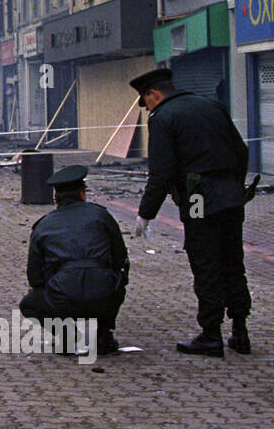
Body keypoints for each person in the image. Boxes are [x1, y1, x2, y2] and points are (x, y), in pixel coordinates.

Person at [130, 67, 252, 358]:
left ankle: (211, 335)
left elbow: (161, 172)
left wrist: (145, 213)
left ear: (153, 94)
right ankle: (240, 331)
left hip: (199, 200)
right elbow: (241, 151)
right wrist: (234, 186)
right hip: (232, 198)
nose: (146, 108)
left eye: (145, 102)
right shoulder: (213, 106)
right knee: (233, 262)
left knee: (206, 263)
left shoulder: (162, 118)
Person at [21, 165, 128, 356]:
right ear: (82, 194)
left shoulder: (43, 225)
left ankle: (67, 337)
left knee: (29, 304)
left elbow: (34, 277)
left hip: (63, 298)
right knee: (115, 282)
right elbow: (121, 258)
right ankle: (103, 335)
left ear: (56, 199)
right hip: (104, 297)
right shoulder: (101, 216)